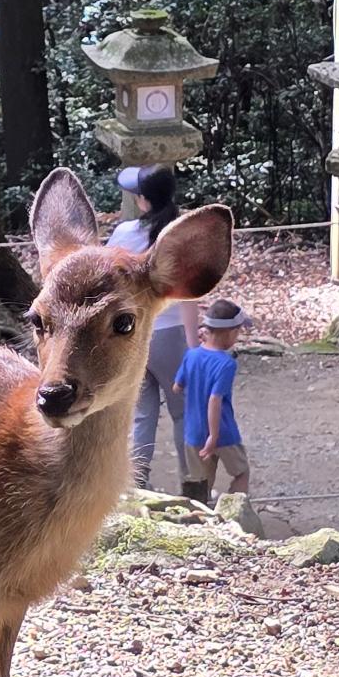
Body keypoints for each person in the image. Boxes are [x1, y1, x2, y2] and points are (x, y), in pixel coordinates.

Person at [106, 164, 200, 489]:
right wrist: (193, 346)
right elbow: (189, 296)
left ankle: (136, 487)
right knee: (184, 412)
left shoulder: (123, 234)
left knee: (142, 413)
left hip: (132, 335)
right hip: (171, 335)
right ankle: (194, 484)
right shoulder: (181, 236)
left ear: (144, 200)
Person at [173, 297, 253, 500]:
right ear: (229, 332)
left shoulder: (191, 356)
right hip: (223, 434)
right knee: (241, 473)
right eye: (237, 332)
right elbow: (214, 400)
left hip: (193, 434)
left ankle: (199, 522)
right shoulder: (226, 364)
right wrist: (213, 436)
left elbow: (176, 387)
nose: (237, 337)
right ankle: (232, 512)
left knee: (200, 483)